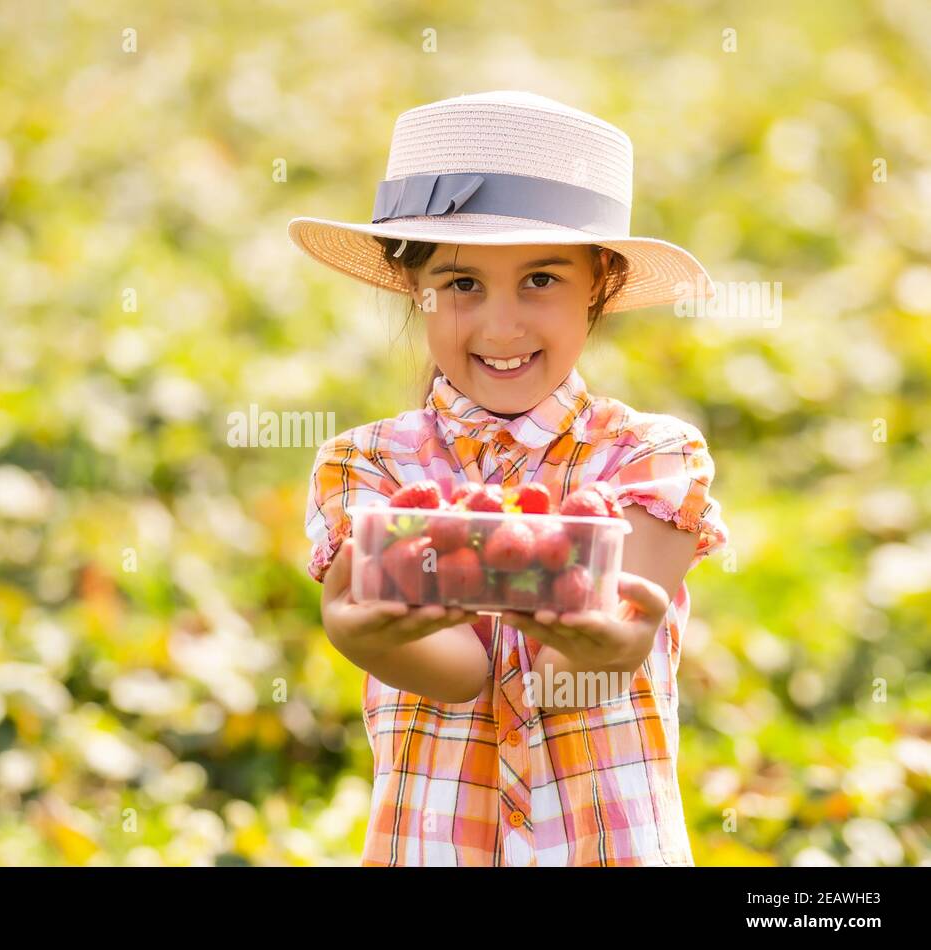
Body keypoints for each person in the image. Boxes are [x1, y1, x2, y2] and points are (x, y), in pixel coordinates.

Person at [292, 90, 731, 866]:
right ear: (413, 287)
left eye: (540, 280)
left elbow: (571, 676)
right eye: (463, 284)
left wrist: (602, 650)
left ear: (599, 283)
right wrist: (364, 633)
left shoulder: (651, 458)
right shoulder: (369, 467)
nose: (501, 326)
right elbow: (461, 673)